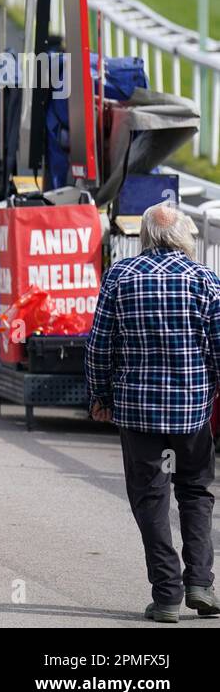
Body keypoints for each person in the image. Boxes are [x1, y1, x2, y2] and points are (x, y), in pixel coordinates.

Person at [86, 201, 219, 623]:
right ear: (185, 236)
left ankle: (166, 595)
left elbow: (98, 346)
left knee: (150, 497)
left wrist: (100, 397)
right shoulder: (206, 281)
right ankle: (200, 583)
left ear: (144, 236)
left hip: (138, 411)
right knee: (195, 492)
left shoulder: (119, 277)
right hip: (192, 411)